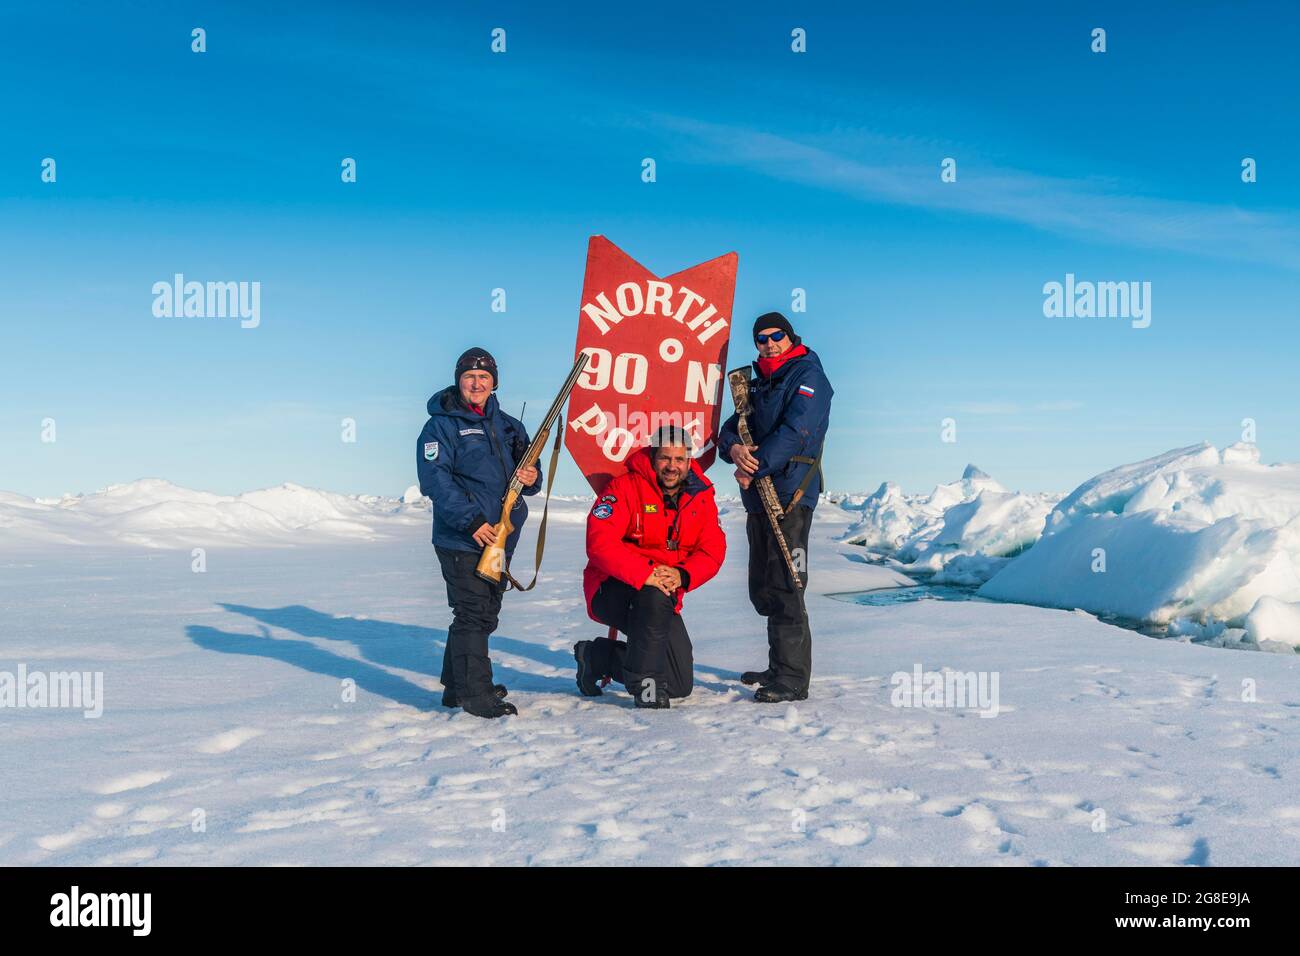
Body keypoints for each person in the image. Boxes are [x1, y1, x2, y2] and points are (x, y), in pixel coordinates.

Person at [416, 347, 540, 719]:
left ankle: (457, 687)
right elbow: (434, 480)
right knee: (472, 613)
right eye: (469, 376)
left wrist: (533, 479)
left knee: (484, 611)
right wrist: (472, 522)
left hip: (502, 537)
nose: (476, 383)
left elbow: (527, 474)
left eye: (484, 377)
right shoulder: (441, 426)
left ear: (494, 383)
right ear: (458, 380)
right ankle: (477, 694)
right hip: (462, 537)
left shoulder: (508, 425)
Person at [718, 312, 833, 703]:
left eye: (775, 336)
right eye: (761, 339)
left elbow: (795, 432)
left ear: (790, 336)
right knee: (764, 586)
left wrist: (755, 465)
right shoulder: (762, 383)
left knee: (787, 583)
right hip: (758, 498)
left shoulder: (808, 376)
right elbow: (732, 427)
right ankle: (778, 665)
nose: (768, 344)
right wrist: (732, 448)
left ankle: (793, 679)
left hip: (791, 494)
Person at [573, 425, 726, 709]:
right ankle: (645, 686)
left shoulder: (701, 497)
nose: (672, 466)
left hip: (664, 595)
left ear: (689, 461)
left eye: (679, 459)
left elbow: (712, 550)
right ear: (653, 456)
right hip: (613, 587)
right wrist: (646, 574)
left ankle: (597, 657)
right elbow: (599, 542)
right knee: (653, 597)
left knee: (679, 683)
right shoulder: (625, 487)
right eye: (665, 458)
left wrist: (681, 574)